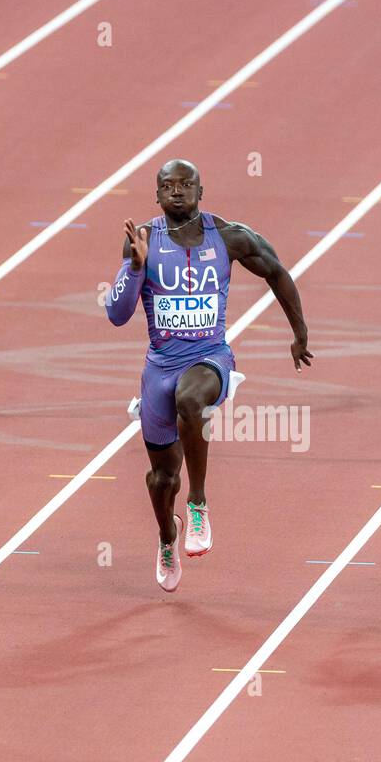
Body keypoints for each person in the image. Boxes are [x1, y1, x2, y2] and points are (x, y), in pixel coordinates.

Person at [105, 159, 311, 591]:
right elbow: (117, 315)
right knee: (163, 478)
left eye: (185, 185)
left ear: (201, 190)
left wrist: (299, 331)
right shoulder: (142, 241)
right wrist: (138, 267)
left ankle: (198, 503)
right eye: (168, 186)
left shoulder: (230, 237)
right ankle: (167, 536)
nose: (176, 192)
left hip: (210, 357)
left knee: (190, 399)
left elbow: (275, 270)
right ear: (157, 194)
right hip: (159, 368)